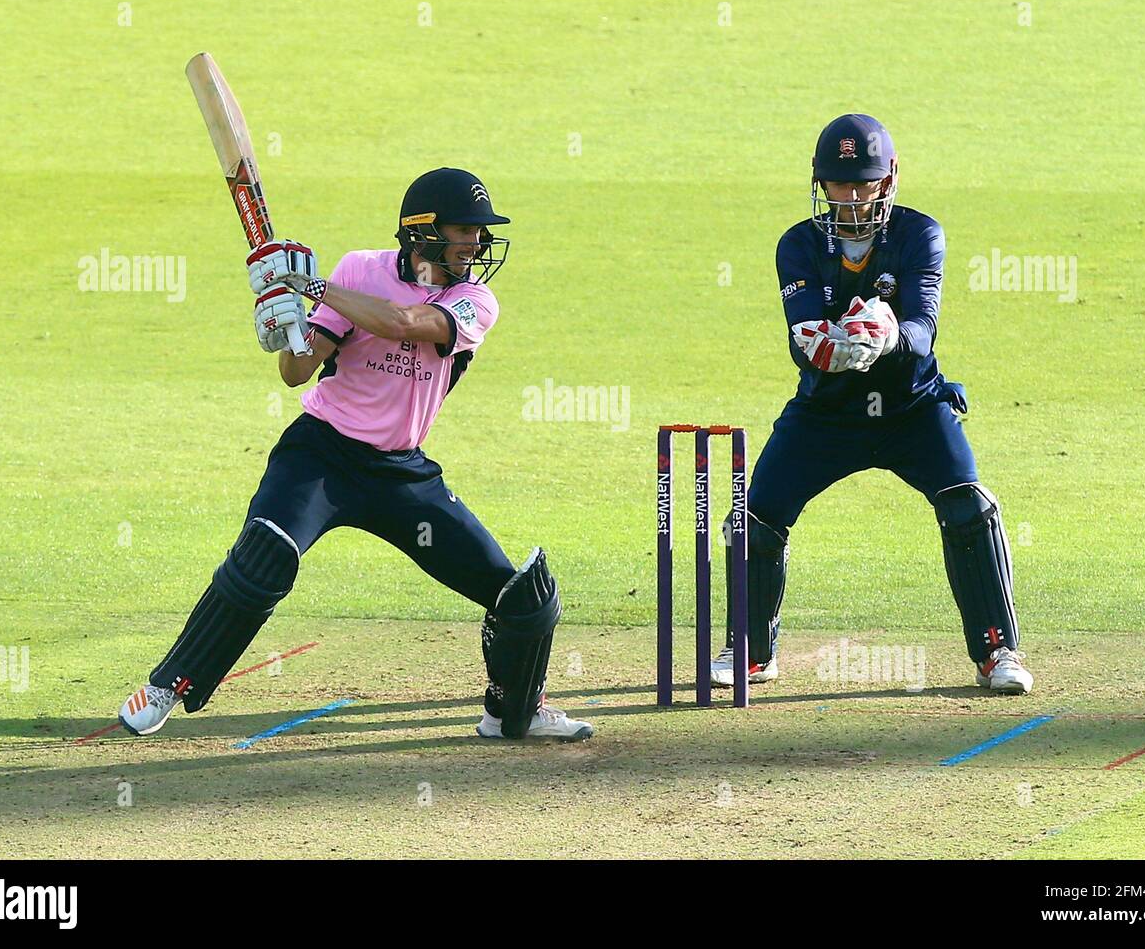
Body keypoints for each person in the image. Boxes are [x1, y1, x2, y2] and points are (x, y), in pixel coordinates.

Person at [118, 167, 593, 741]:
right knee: (263, 558)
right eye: (465, 230)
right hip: (320, 457)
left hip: (401, 474)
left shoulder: (474, 300)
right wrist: (287, 327)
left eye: (479, 231)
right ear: (422, 231)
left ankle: (515, 711)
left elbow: (402, 322)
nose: (477, 242)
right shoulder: (359, 270)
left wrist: (310, 288)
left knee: (523, 597)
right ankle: (169, 683)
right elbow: (297, 373)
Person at [710, 115, 1033, 695]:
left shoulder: (920, 234)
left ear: (890, 178)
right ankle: (752, 651)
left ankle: (997, 651)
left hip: (913, 409)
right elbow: (801, 335)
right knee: (753, 518)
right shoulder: (799, 244)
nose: (854, 197)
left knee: (968, 506)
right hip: (826, 416)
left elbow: (922, 328)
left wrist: (887, 335)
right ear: (820, 182)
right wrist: (822, 345)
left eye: (865, 183)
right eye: (841, 184)